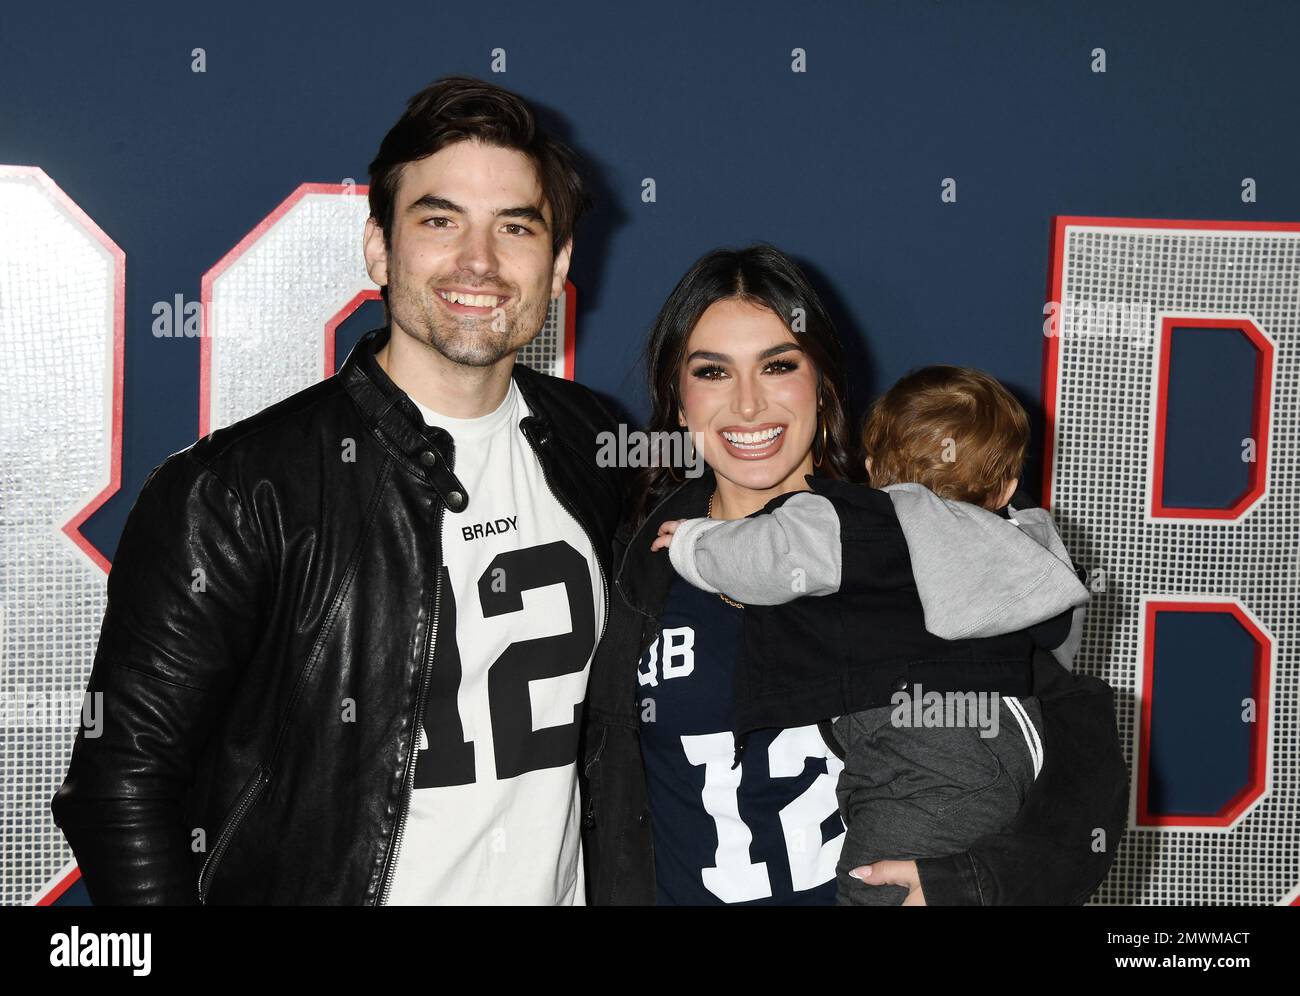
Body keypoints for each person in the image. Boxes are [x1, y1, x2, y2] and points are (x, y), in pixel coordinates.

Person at [51, 76, 630, 904]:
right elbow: (120, 788)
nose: (479, 261)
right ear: (379, 249)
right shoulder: (237, 493)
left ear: (560, 261)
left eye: (516, 227)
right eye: (439, 221)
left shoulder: (591, 446)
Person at [579, 244, 1129, 905]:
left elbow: (1080, 759)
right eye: (714, 372)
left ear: (825, 382)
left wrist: (978, 885)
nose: (749, 405)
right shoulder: (630, 568)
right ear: (679, 395)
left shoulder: (912, 542)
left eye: (779, 366)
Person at [653, 365, 1094, 905]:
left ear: (871, 469)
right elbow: (1060, 636)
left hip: (925, 758)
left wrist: (693, 544)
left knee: (877, 887)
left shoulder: (852, 520)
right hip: (1017, 744)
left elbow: (763, 557)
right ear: (1005, 486)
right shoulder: (1027, 545)